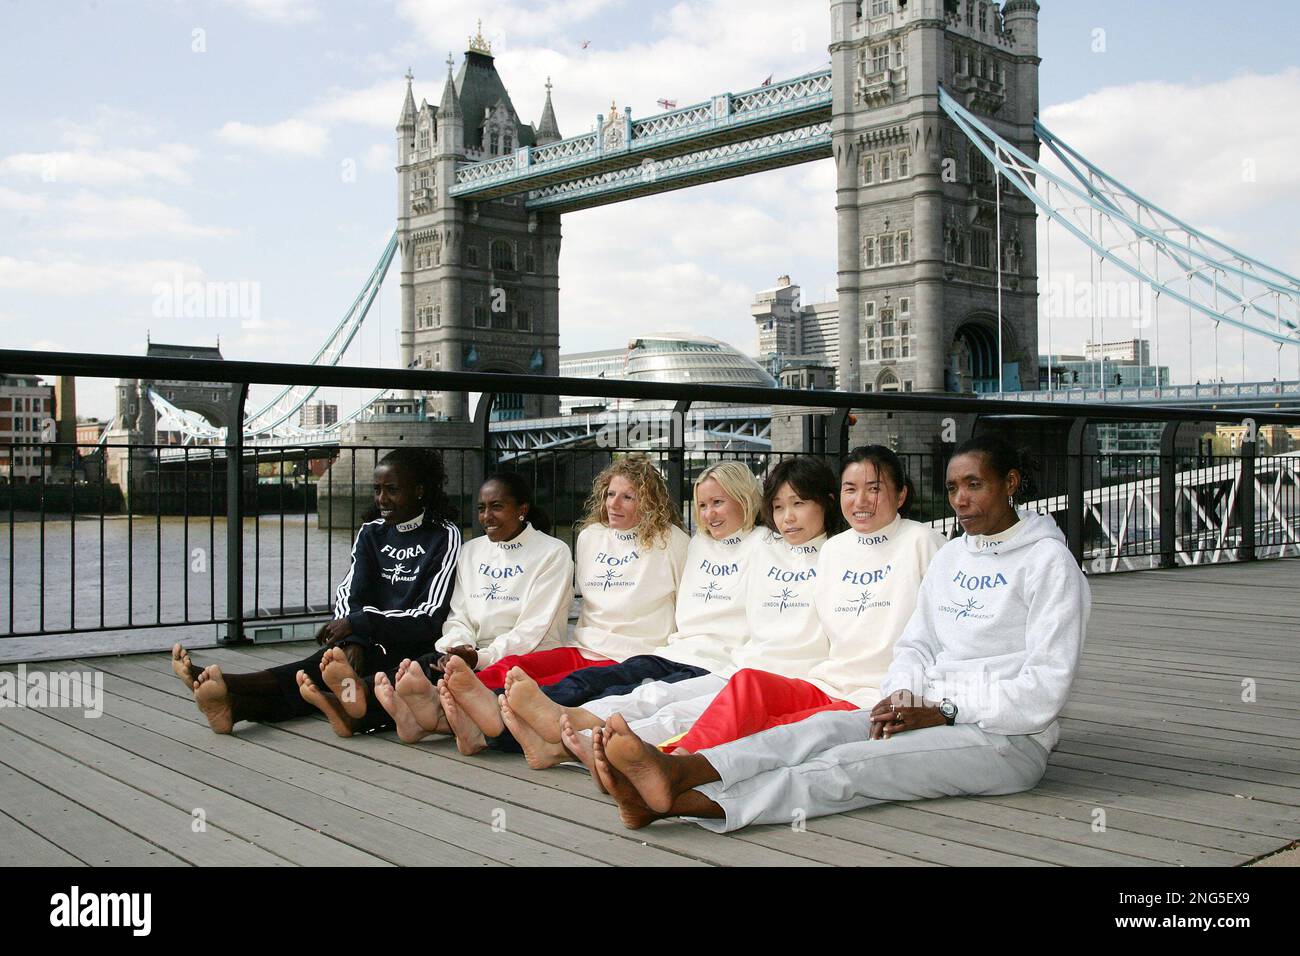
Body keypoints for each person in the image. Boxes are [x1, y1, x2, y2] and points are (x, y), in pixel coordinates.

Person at [585, 433, 1090, 832]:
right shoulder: (955, 555)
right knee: (811, 732)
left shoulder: (1048, 562)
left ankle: (679, 804)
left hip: (1004, 737)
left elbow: (1044, 689)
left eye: (974, 485)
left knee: (849, 765)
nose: (960, 499)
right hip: (926, 711)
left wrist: (945, 710)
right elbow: (916, 643)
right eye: (953, 487)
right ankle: (679, 770)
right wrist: (902, 696)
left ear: (1011, 483)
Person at [523, 455, 842, 768]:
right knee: (641, 692)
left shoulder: (785, 546)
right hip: (707, 657)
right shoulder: (711, 543)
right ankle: (561, 733)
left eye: (798, 504)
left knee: (667, 705)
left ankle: (582, 744)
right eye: (779, 507)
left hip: (731, 664)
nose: (787, 518)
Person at [442, 460, 763, 768]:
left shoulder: (690, 543)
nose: (708, 513)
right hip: (655, 651)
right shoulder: (697, 543)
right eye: (702, 505)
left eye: (717, 503)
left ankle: (497, 728)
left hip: (667, 655)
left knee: (611, 692)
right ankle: (468, 717)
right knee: (532, 670)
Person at [665, 445, 947, 753]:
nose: (861, 500)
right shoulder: (835, 549)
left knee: (780, 729)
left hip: (875, 694)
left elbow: (944, 634)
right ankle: (679, 756)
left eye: (874, 489)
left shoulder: (923, 542)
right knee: (748, 684)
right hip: (827, 683)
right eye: (851, 489)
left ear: (901, 495)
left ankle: (683, 765)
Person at [170, 447, 460, 735]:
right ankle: (235, 707)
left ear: (419, 490)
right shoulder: (372, 532)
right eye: (377, 489)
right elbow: (350, 591)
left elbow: (429, 615)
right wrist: (354, 638)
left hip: (409, 642)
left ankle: (232, 688)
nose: (382, 499)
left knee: (319, 673)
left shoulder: (444, 535)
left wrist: (359, 625)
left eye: (392, 490)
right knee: (322, 672)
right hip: (368, 639)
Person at [355, 472, 581, 745]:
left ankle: (373, 711)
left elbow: (533, 629)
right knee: (426, 666)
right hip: (473, 653)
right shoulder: (471, 550)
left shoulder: (553, 552)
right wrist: (456, 647)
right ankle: (358, 700)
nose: (486, 517)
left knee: (456, 681)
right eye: (481, 508)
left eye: (497, 507)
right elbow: (458, 615)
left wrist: (480, 658)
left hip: (524, 655)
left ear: (522, 509)